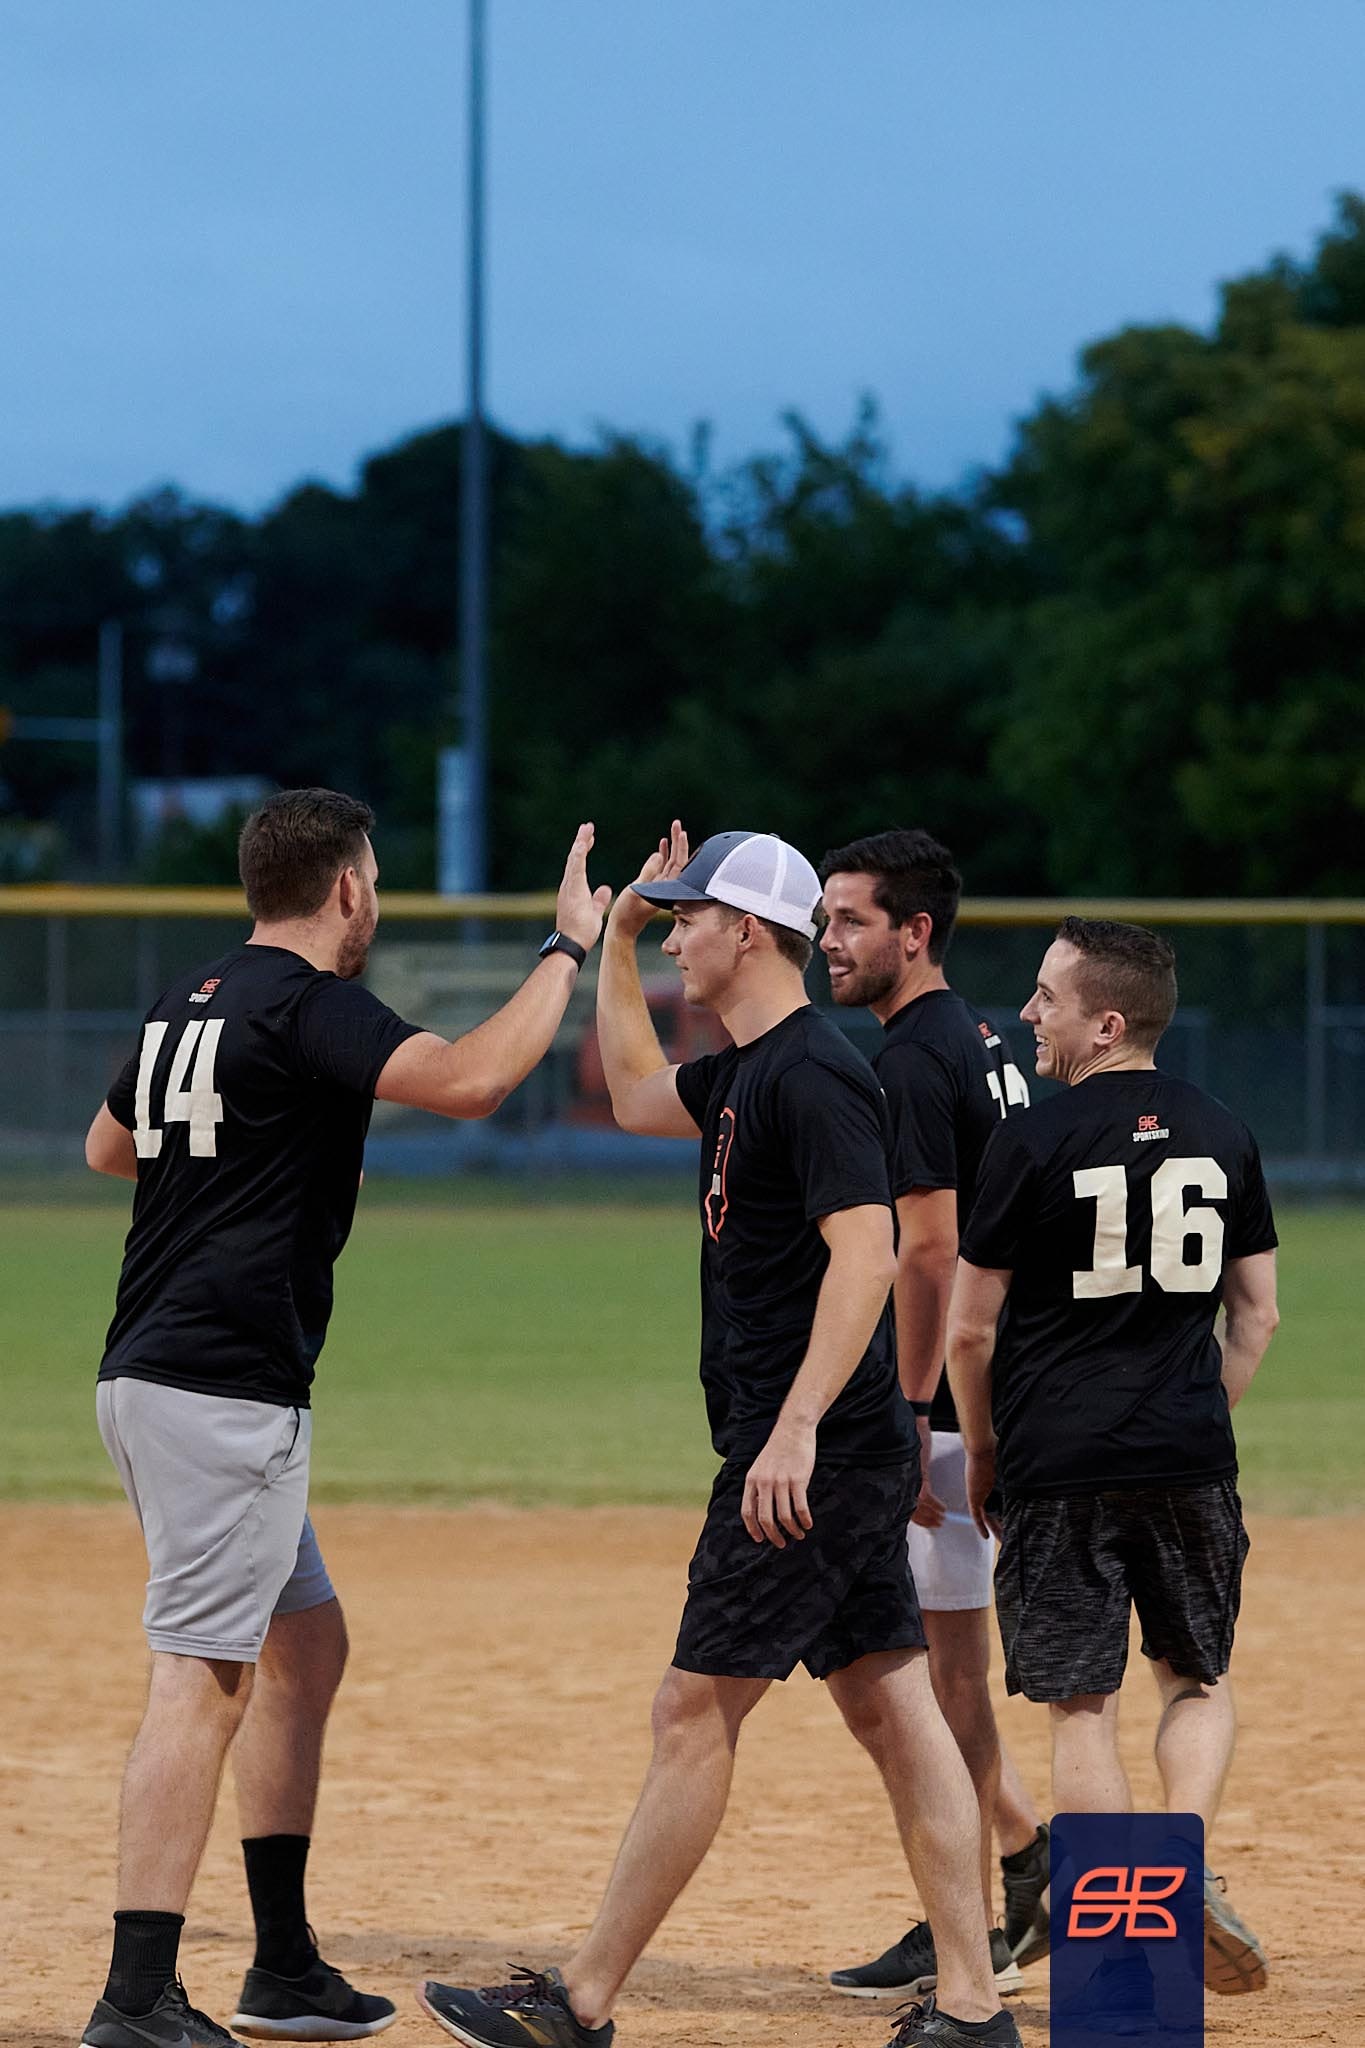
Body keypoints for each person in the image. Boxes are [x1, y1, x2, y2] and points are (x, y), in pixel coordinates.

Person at [419, 825, 1021, 2048]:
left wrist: (795, 1428)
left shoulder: (817, 1074)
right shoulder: (750, 1066)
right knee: (896, 1706)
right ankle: (971, 2002)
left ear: (750, 930)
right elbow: (639, 1091)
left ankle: (581, 2000)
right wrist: (618, 935)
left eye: (692, 915)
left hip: (800, 1459)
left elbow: (872, 1251)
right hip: (819, 1449)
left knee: (693, 1708)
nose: (680, 930)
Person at [81, 788, 612, 2048]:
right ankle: (135, 1995)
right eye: (373, 877)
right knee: (203, 1679)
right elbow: (477, 1078)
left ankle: (281, 1961)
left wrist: (261, 1151)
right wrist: (568, 947)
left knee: (302, 1646)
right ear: (348, 891)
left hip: (158, 1368)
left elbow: (112, 1147)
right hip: (221, 1385)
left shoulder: (187, 1000)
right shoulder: (312, 1004)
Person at [947, 916, 1280, 2000]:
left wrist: (985, 1447)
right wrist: (1196, 1415)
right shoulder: (1225, 1128)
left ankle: (1119, 1960)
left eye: (1047, 997)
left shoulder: (1031, 1140)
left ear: (1108, 1019)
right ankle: (1174, 1864)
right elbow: (1258, 1313)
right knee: (1196, 1676)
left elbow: (967, 1328)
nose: (1030, 1012)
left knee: (1081, 1703)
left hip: (1057, 1460)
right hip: (1187, 1455)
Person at [817, 830, 1047, 2001]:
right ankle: (1006, 1868)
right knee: (942, 1663)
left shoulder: (911, 1056)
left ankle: (996, 1900)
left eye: (852, 919)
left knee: (944, 1673)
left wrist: (911, 1411)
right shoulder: (995, 1034)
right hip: (1016, 1380)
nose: (828, 940)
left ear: (915, 931)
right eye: (823, 917)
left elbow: (932, 1245)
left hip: (958, 1397)